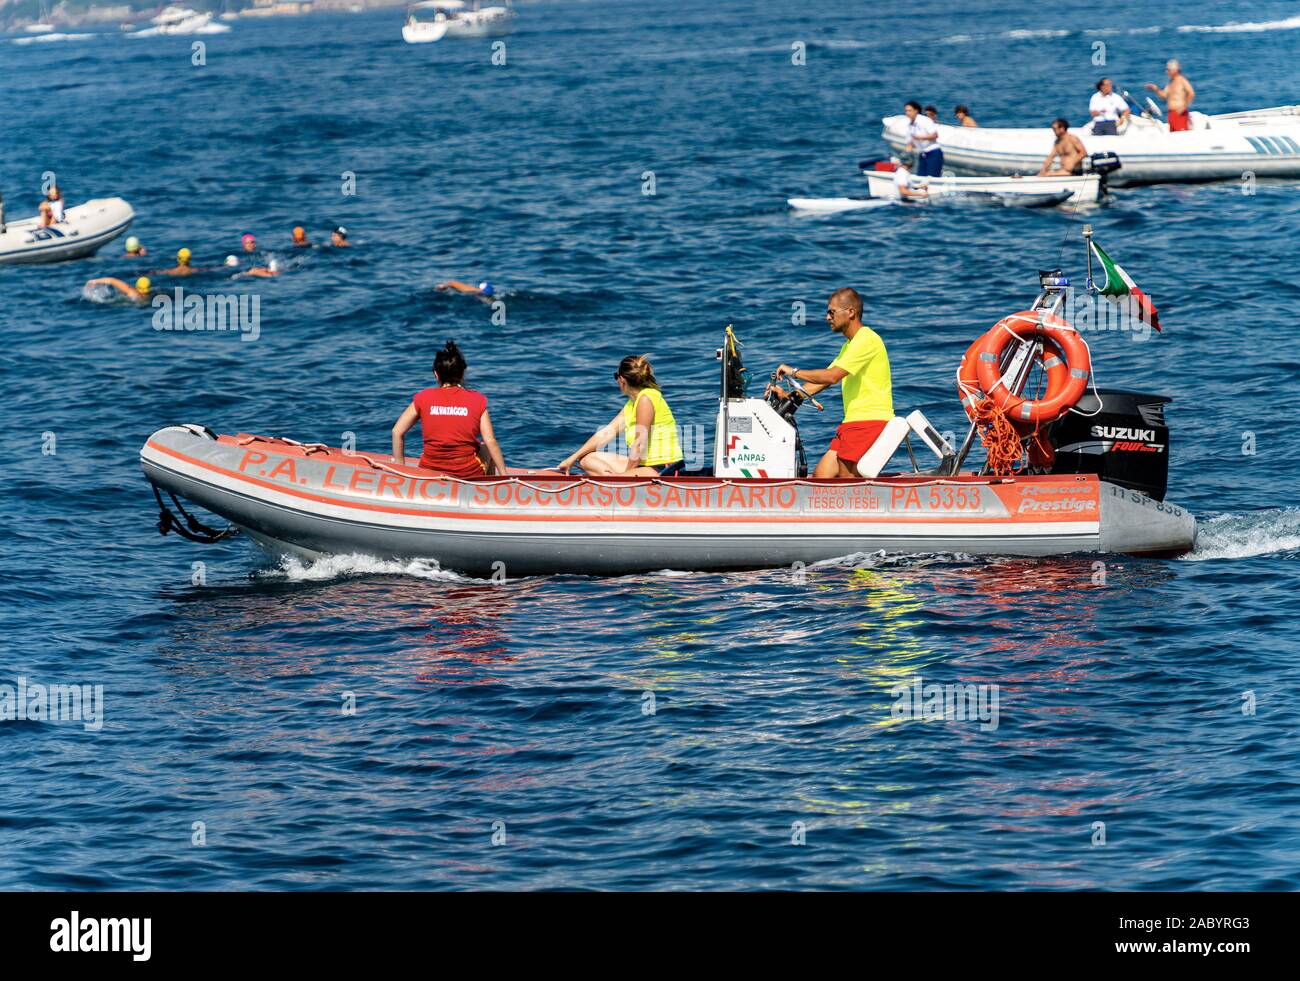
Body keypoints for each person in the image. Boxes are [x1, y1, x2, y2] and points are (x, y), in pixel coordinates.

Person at [774, 287, 893, 479]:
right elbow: (822, 383)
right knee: (821, 476)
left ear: (851, 312)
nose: (827, 317)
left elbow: (832, 376)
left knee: (846, 481)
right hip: (852, 423)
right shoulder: (850, 345)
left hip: (868, 422)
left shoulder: (867, 340)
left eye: (832, 312)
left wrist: (794, 372)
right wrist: (789, 396)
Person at [391, 340, 507, 478]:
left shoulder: (423, 397)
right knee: (486, 448)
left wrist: (400, 469)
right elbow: (491, 441)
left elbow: (397, 432)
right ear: (462, 373)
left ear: (436, 374)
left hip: (429, 471)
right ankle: (490, 488)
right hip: (467, 473)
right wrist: (505, 476)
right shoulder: (477, 400)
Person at [557, 354, 685, 477]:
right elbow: (607, 433)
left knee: (616, 473)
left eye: (616, 377)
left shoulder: (646, 399)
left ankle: (616, 484)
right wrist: (572, 458)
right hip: (644, 466)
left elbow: (639, 445)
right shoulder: (632, 404)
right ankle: (615, 484)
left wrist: (624, 477)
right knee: (587, 459)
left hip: (664, 468)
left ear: (622, 379)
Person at [1146, 59, 1195, 132]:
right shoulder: (1171, 82)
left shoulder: (1182, 80)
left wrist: (1184, 107)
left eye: (1168, 70)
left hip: (1180, 114)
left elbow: (1191, 93)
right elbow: (1163, 96)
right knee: (1173, 136)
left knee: (1181, 136)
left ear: (1175, 70)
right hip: (1171, 114)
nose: (1166, 72)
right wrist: (1156, 89)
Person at [903, 100, 943, 177]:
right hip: (922, 154)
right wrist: (904, 158)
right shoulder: (909, 125)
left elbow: (935, 135)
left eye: (909, 110)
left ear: (916, 111)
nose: (907, 113)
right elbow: (910, 144)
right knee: (920, 179)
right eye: (906, 111)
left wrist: (920, 137)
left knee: (932, 179)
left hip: (933, 153)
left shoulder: (924, 120)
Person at [86, 276, 152, 303]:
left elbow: (112, 280)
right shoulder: (151, 295)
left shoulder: (132, 292)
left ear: (137, 286)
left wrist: (94, 281)